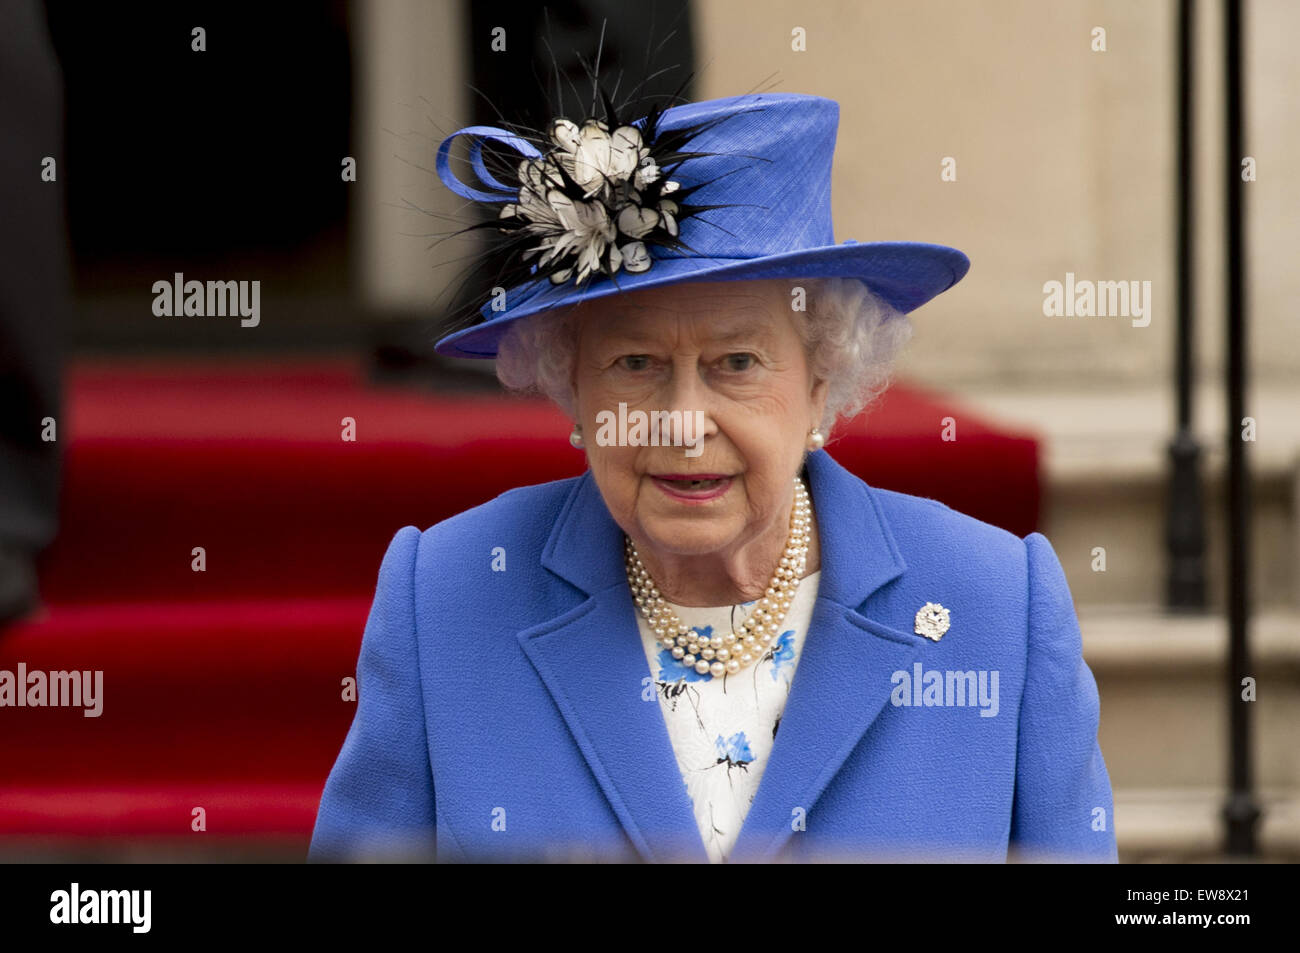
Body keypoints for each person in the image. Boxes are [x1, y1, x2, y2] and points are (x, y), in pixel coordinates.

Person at [309, 91, 1117, 863]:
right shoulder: (448, 597)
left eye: (736, 362)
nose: (683, 420)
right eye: (636, 362)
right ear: (575, 386)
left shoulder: (996, 604)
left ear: (819, 383)